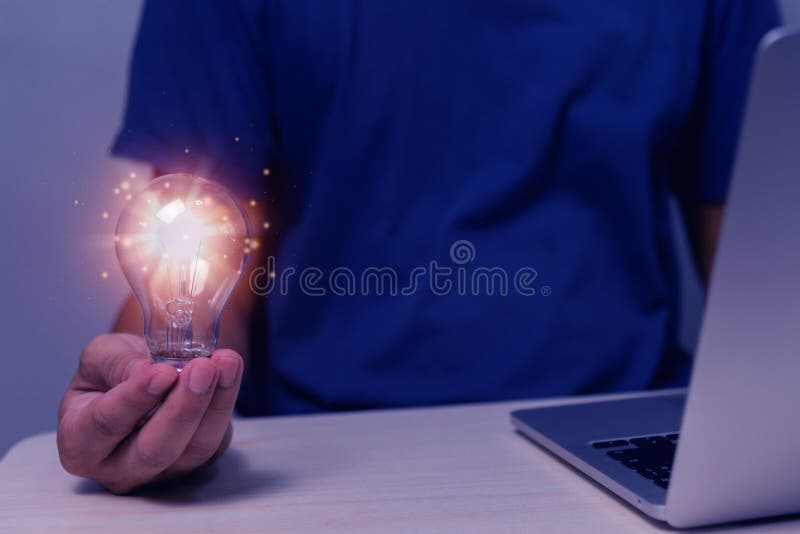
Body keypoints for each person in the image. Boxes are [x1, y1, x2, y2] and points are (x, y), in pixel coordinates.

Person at [57, 0, 780, 493]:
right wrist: (155, 408)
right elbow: (197, 254)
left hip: (631, 441)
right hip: (323, 461)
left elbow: (764, 288)